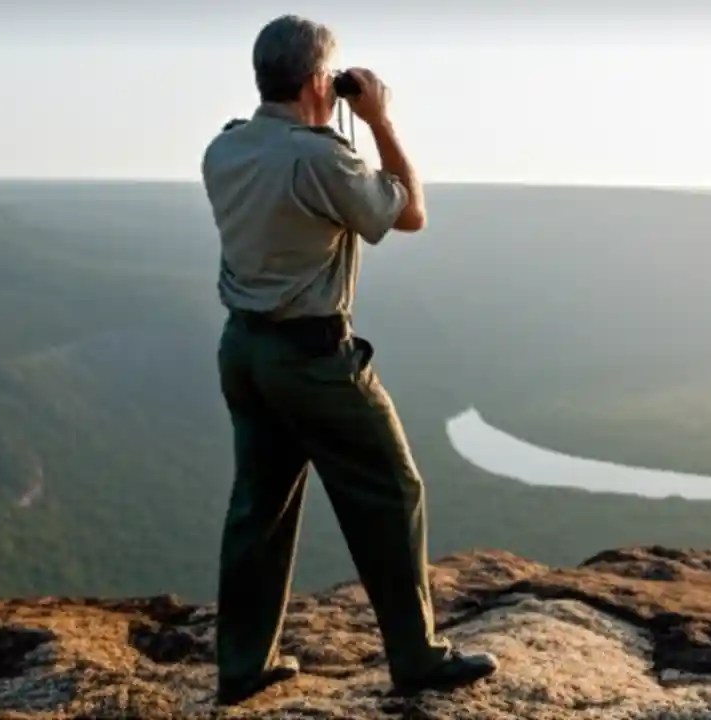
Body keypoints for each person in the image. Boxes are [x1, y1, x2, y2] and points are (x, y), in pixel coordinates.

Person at [199, 14, 498, 705]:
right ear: (316, 80)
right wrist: (381, 120)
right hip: (311, 359)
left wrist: (334, 116)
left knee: (259, 506)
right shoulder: (320, 157)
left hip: (242, 349)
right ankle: (418, 657)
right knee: (393, 493)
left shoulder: (225, 148)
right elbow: (410, 213)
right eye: (330, 77)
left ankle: (244, 665)